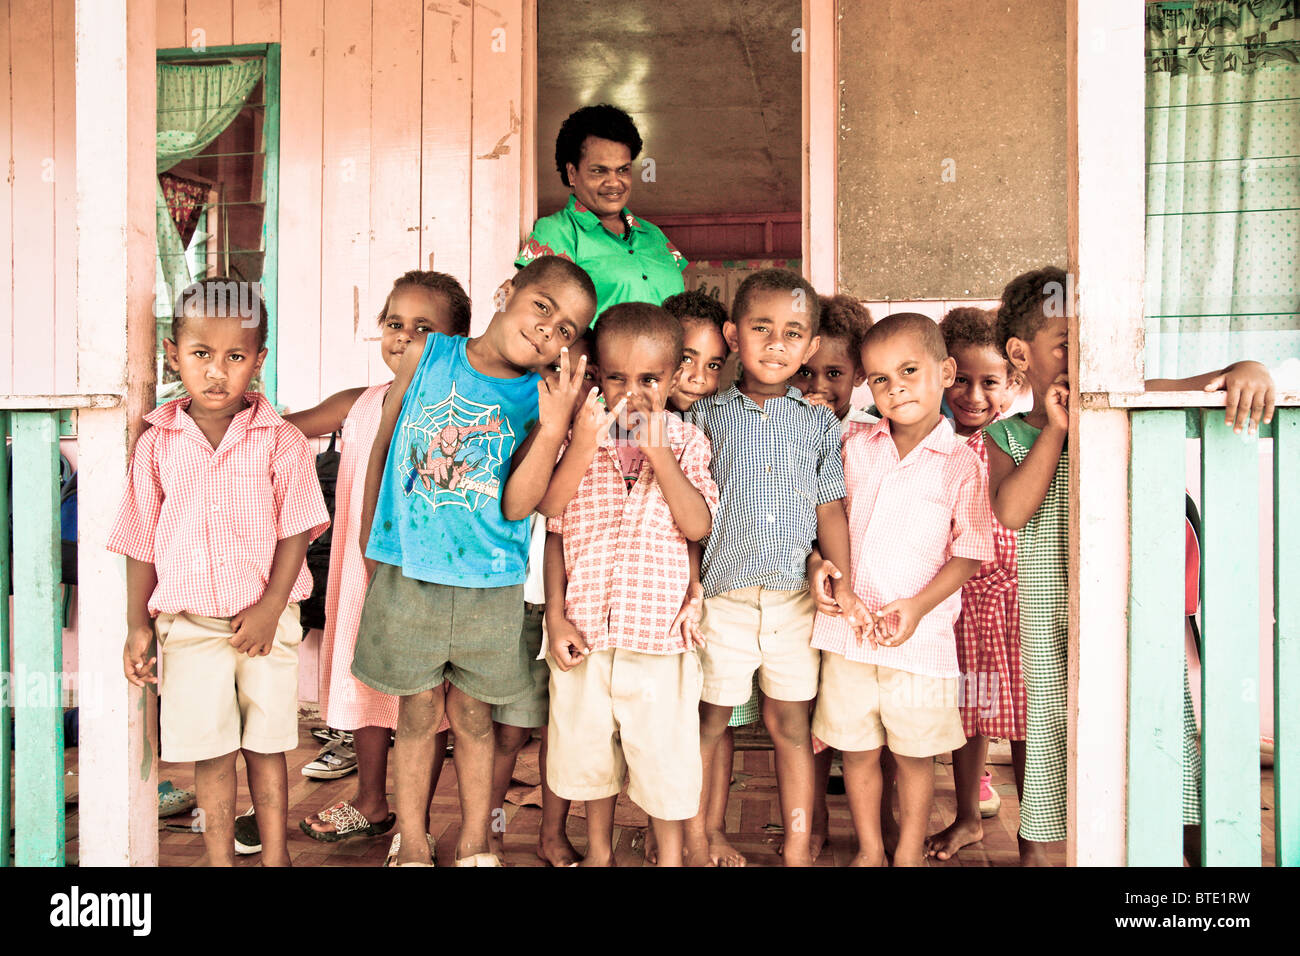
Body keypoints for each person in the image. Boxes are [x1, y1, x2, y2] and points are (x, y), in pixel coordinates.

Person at [987, 266, 1278, 866]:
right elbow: (1013, 512)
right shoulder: (1010, 434)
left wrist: (1248, 369)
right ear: (1021, 354)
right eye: (1067, 345)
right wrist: (1058, 432)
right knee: (1051, 743)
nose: (1084, 357)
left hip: (1138, 619)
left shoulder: (1126, 398)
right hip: (1053, 629)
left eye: (1095, 339)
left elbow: (1214, 381)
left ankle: (1190, 868)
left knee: (1164, 724)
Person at [351, 255, 597, 866]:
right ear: (506, 291)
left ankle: (473, 843)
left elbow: (522, 506)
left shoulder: (540, 397)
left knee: (474, 718)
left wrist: (556, 426)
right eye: (542, 307)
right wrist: (369, 541)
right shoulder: (425, 355)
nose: (548, 330)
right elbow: (384, 444)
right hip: (410, 572)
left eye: (566, 329)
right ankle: (411, 840)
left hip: (491, 581)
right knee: (417, 712)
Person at [113, 278, 330, 867]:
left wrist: (268, 608)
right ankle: (218, 860)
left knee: (267, 746)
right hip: (188, 626)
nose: (217, 372)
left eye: (235, 357)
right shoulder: (157, 442)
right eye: (201, 355)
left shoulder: (280, 440)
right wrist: (138, 623)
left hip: (267, 619)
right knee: (210, 753)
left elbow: (297, 530)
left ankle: (277, 856)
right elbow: (141, 538)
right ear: (172, 353)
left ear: (258, 362)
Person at [686, 268, 870, 867]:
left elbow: (830, 509)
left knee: (792, 726)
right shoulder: (706, 416)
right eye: (761, 328)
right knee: (711, 722)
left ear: (811, 347)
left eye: (793, 333)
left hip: (794, 599)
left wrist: (837, 574)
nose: (776, 344)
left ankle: (796, 845)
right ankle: (702, 834)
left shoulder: (818, 423)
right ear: (733, 335)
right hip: (721, 598)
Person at [283, 271, 469, 855]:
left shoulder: (454, 408)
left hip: (419, 575)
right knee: (366, 684)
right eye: (395, 324)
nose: (404, 338)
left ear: (456, 341)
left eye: (423, 328)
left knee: (423, 701)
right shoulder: (357, 404)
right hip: (359, 573)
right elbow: (280, 433)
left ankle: (416, 821)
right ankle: (371, 801)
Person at [810, 313, 993, 867]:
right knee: (859, 752)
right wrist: (821, 563)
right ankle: (870, 848)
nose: (896, 389)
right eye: (881, 379)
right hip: (849, 633)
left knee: (914, 757)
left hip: (923, 640)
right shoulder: (854, 442)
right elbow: (824, 512)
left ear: (945, 372)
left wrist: (917, 606)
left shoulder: (963, 463)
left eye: (909, 371)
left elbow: (970, 552)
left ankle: (909, 850)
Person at [539, 302, 719, 866]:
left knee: (663, 760)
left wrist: (660, 453)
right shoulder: (576, 438)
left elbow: (698, 524)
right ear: (596, 375)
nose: (631, 391)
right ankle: (598, 852)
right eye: (616, 376)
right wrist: (554, 614)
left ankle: (667, 856)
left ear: (673, 379)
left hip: (659, 639)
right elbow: (552, 519)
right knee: (590, 758)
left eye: (649, 379)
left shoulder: (687, 443)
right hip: (587, 632)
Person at [487, 329, 599, 868]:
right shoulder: (519, 428)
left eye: (584, 376)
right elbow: (532, 509)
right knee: (508, 730)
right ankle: (487, 832)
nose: (568, 388)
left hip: (575, 610)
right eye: (556, 374)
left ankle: (551, 835)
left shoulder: (609, 440)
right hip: (518, 602)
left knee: (562, 730)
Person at [923, 306, 1026, 861]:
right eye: (960, 378)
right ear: (941, 374)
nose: (973, 395)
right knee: (971, 713)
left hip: (1015, 595)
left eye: (989, 381)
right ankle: (968, 815)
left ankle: (1038, 826)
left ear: (1012, 383)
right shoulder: (934, 440)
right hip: (957, 597)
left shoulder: (1016, 439)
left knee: (1027, 719)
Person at [516, 104, 687, 319]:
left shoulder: (654, 234)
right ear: (572, 173)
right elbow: (540, 320)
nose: (615, 183)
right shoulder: (557, 232)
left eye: (623, 170)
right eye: (599, 171)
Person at [792, 294, 874, 426]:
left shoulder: (876, 434)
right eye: (805, 373)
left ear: (859, 375)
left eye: (833, 373)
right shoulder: (776, 430)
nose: (818, 387)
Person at [663, 290, 730, 415]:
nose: (699, 378)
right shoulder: (630, 420)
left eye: (713, 366)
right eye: (686, 359)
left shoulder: (719, 426)